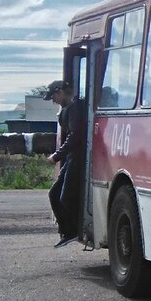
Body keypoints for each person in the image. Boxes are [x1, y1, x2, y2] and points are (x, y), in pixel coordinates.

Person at [45, 80, 86, 249]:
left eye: (54, 96)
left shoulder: (74, 109)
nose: (53, 100)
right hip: (70, 158)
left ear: (61, 92)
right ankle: (67, 231)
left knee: (65, 197)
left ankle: (75, 230)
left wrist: (57, 155)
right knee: (54, 194)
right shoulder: (67, 110)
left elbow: (75, 136)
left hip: (76, 158)